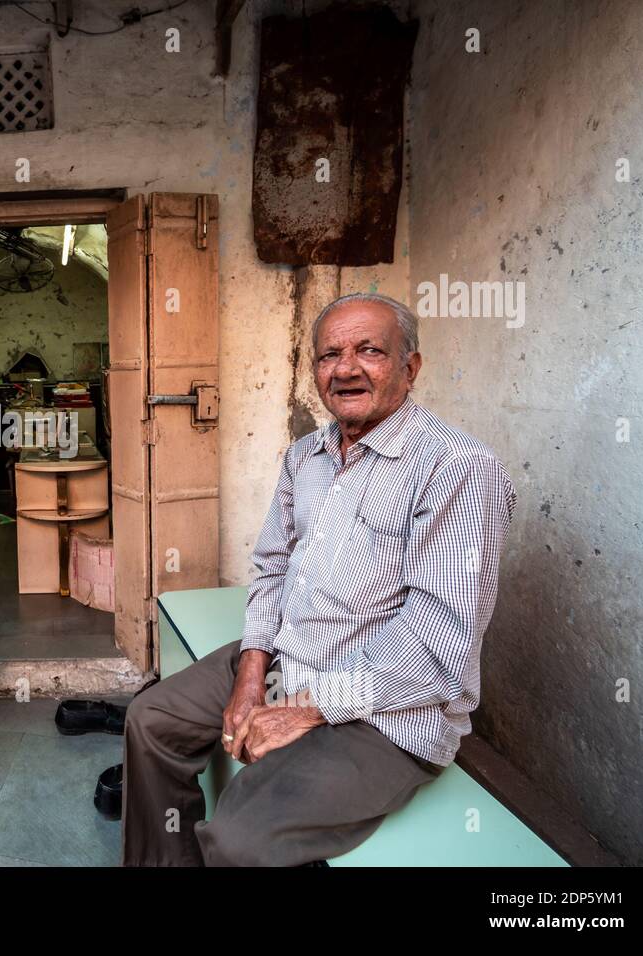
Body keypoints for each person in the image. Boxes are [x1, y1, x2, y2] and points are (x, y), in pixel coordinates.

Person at [122, 293, 517, 865]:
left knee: (240, 837)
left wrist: (304, 710)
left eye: (370, 351)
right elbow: (271, 565)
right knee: (151, 720)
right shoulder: (307, 454)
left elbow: (442, 649)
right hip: (291, 658)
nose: (347, 368)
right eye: (330, 355)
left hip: (386, 713)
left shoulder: (456, 468)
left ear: (411, 367)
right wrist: (253, 666)